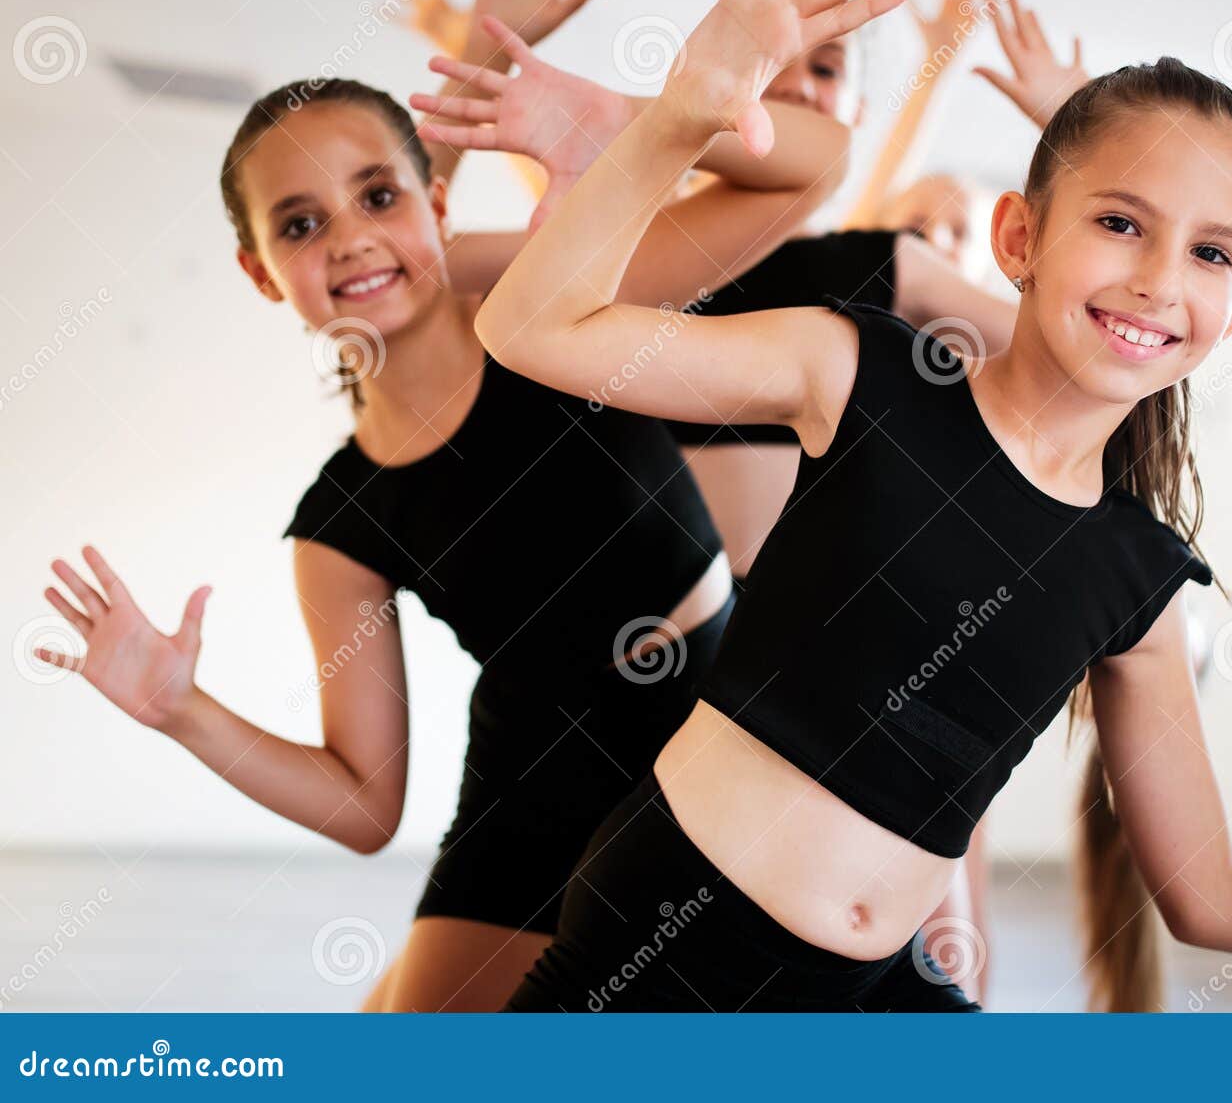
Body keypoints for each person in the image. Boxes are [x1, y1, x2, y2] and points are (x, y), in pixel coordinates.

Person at [463, 0, 1232, 1012]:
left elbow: (1206, 891)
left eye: (1210, 253)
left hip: (865, 994)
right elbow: (530, 328)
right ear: (1018, 236)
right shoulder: (855, 368)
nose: (1158, 279)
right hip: (660, 956)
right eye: (1120, 222)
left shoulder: (1141, 575)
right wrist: (681, 113)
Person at [30, 58, 852, 1009]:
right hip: (534, 780)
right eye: (301, 224)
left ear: (439, 202)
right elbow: (364, 802)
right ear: (262, 273)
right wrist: (183, 710)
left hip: (708, 734)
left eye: (378, 195)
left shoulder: (553, 312)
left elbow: (814, 165)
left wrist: (642, 116)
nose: (349, 240)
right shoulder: (339, 523)